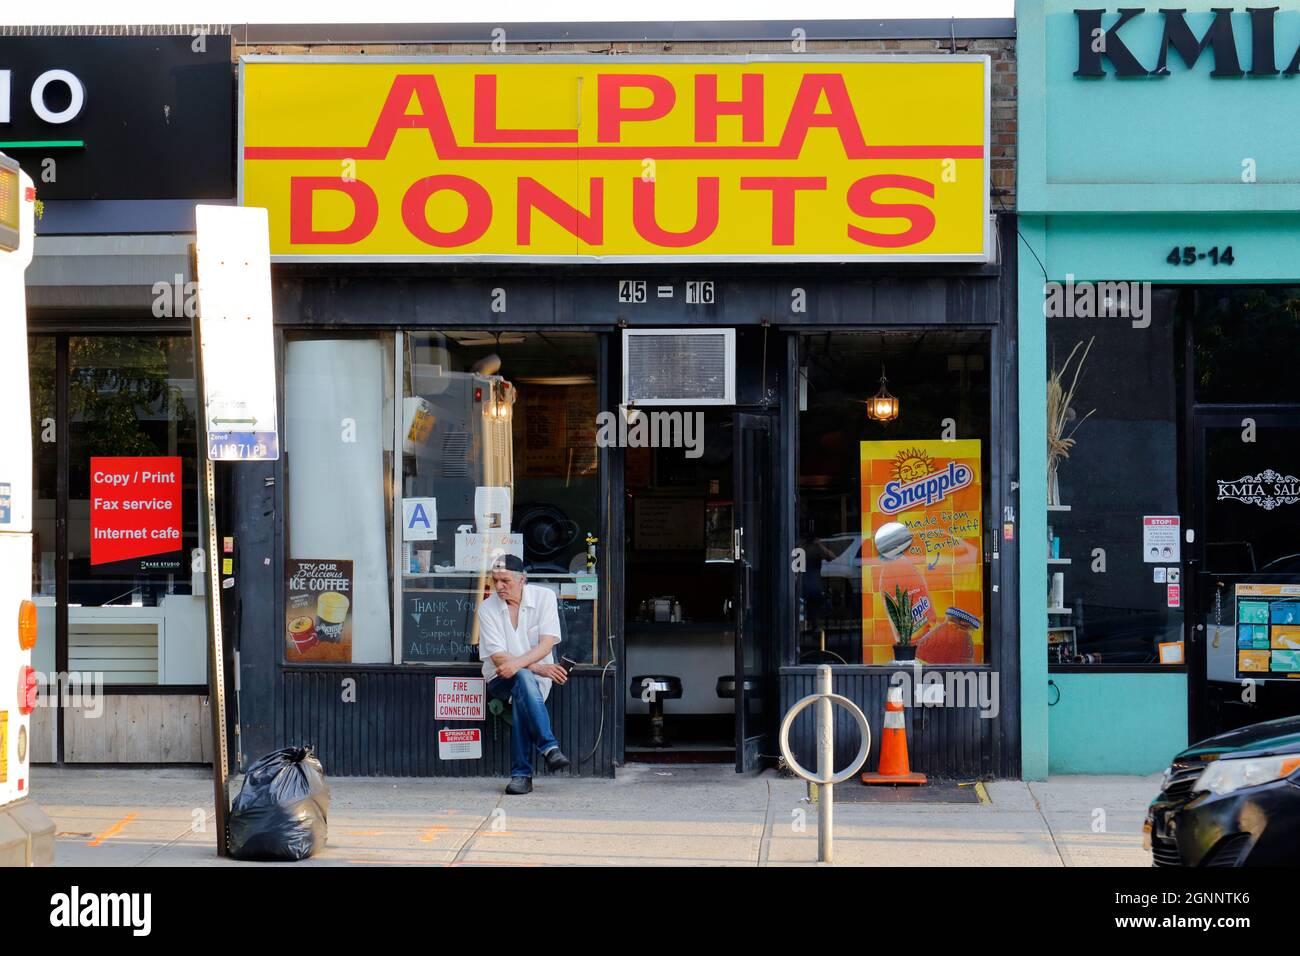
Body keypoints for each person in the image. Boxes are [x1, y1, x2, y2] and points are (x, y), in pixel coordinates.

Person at [478, 554, 570, 794]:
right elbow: (498, 657)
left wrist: (522, 666)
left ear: (522, 579)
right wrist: (539, 667)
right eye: (495, 580)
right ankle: (549, 747)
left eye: (505, 580)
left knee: (523, 688)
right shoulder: (486, 609)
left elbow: (546, 644)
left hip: (532, 681)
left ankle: (522, 776)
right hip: (500, 678)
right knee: (523, 679)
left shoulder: (544, 597)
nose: (499, 586)